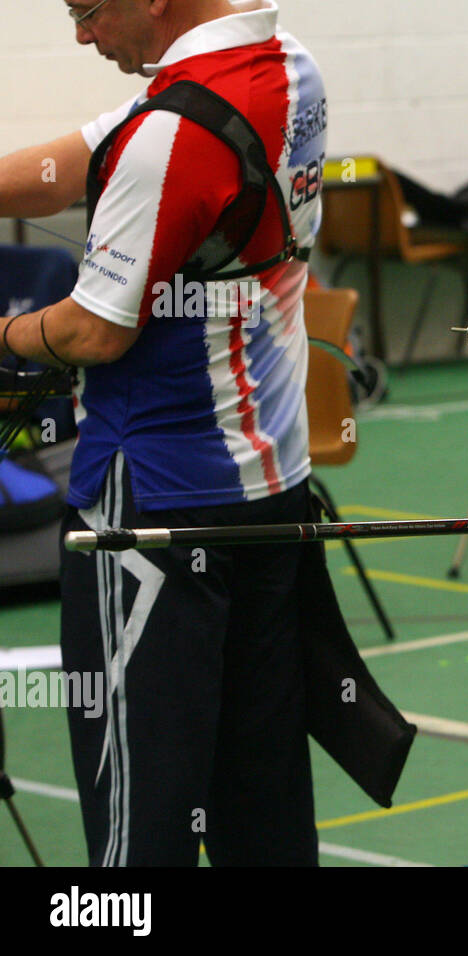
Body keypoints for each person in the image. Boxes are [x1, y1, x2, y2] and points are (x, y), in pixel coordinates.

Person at [0, 0, 326, 865]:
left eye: (87, 10)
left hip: (150, 509)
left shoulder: (172, 133)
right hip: (270, 488)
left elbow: (92, 331)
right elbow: (64, 167)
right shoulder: (287, 67)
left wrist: (4, 336)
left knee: (137, 816)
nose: (80, 35)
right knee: (263, 803)